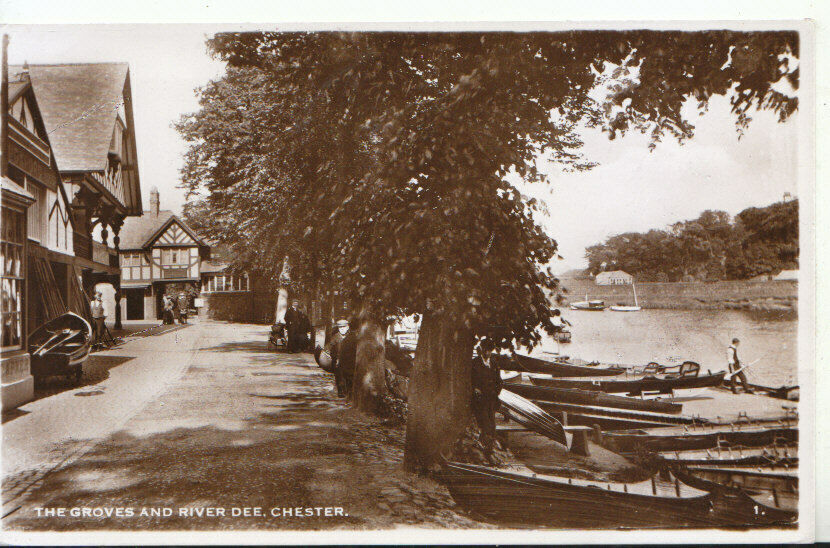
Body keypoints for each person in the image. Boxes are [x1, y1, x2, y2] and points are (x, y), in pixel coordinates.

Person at [471, 339, 503, 461]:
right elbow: (470, 380)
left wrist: (495, 392)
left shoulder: (494, 364)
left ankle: (489, 452)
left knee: (492, 426)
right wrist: (475, 389)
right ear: (481, 350)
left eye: (489, 350)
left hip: (491, 400)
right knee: (485, 425)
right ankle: (484, 453)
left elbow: (499, 381)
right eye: (485, 350)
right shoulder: (475, 363)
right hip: (480, 401)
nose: (487, 352)